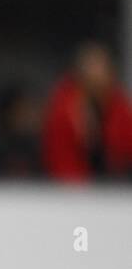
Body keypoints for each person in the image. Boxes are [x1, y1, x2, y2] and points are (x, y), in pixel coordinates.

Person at [41, 42, 132, 182]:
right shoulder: (65, 106)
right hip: (74, 188)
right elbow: (59, 155)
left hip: (114, 184)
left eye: (101, 67)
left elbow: (125, 144)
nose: (97, 74)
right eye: (92, 67)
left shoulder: (117, 103)